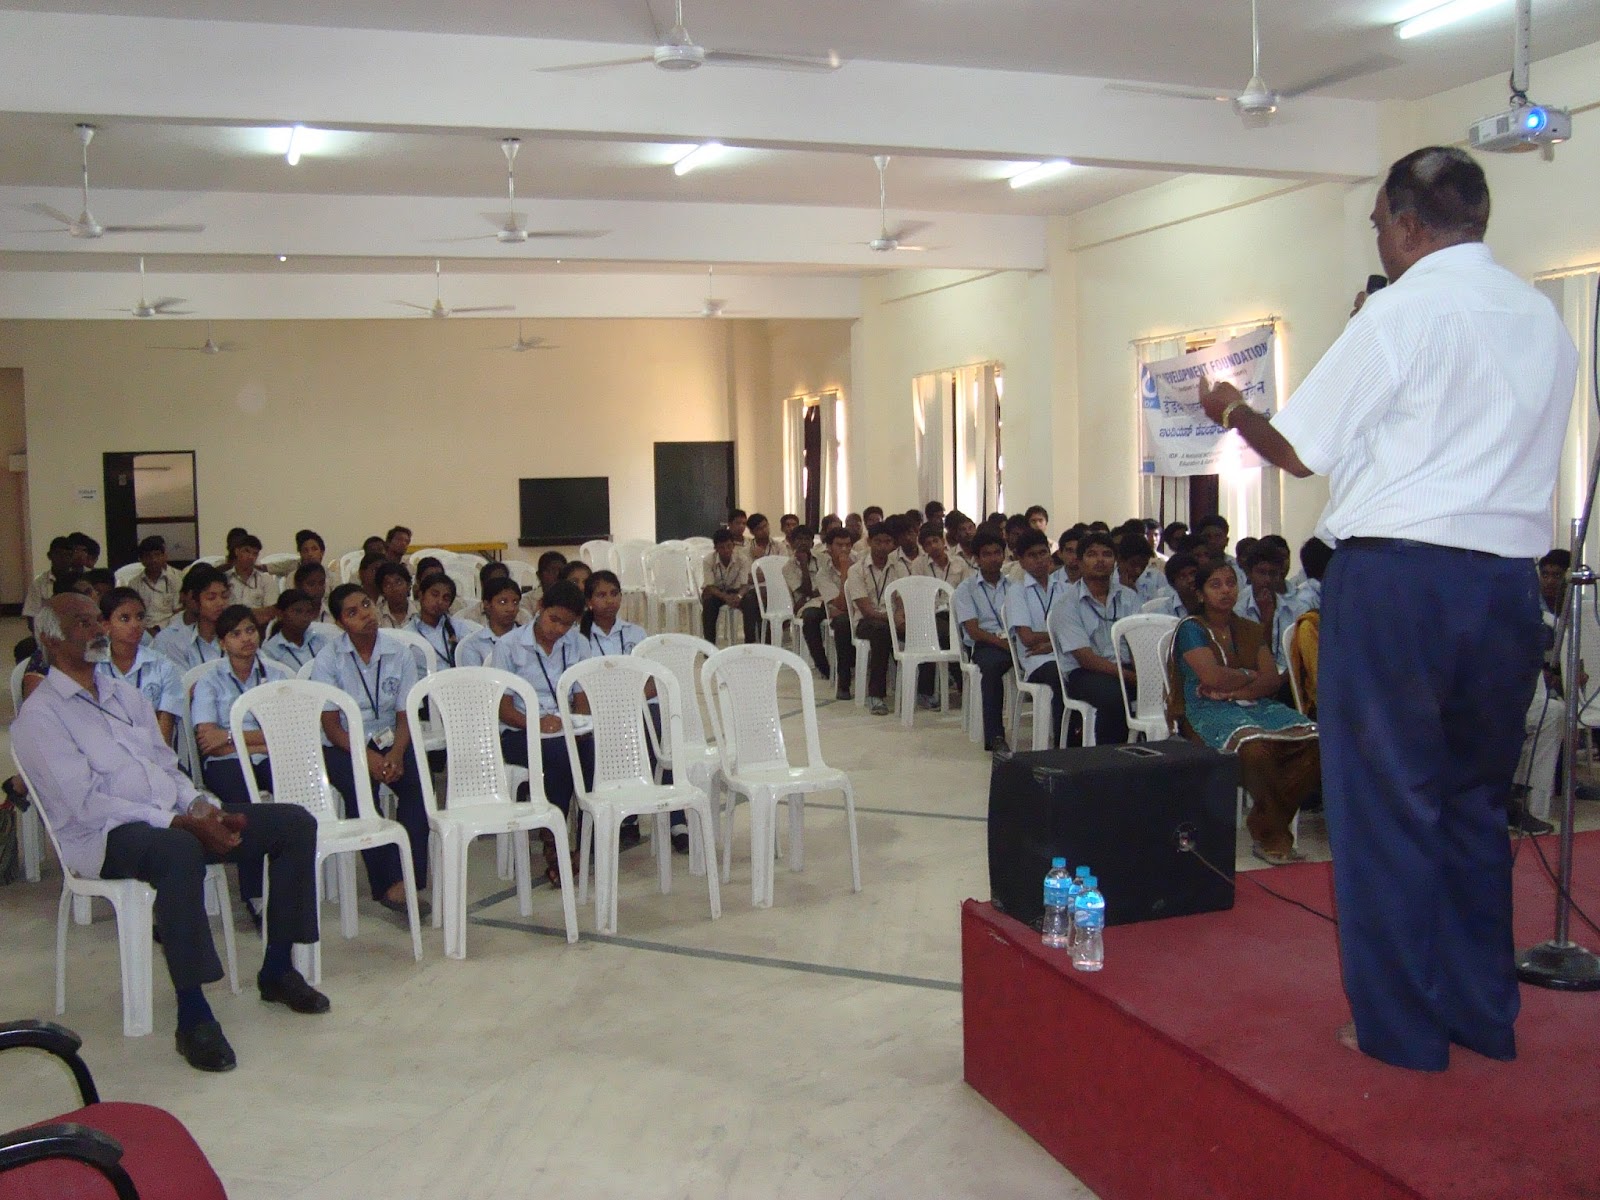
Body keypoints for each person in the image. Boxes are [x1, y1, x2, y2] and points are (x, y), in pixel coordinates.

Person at [1198, 146, 1578, 1072]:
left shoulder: (1402, 312)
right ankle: (1483, 1018)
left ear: (1408, 224)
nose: (1381, 238)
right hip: (1506, 589)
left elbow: (1296, 449)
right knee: (1474, 807)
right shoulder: (1543, 318)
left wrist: (1233, 407)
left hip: (1402, 583)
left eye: (1378, 222)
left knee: (1386, 809)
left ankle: (1401, 1031)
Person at [15, 594, 327, 1073]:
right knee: (179, 850)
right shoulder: (40, 718)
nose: (98, 629)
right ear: (52, 639)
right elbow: (85, 802)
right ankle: (194, 1014)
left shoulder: (124, 694)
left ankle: (279, 968)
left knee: (293, 823)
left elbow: (168, 768)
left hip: (171, 817)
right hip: (103, 837)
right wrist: (182, 822)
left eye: (98, 618)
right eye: (83, 622)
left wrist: (204, 807)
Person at [1165, 560, 1320, 865]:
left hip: (1254, 705)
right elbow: (1210, 678)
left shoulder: (1249, 628)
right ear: (1200, 593)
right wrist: (1250, 676)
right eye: (1215, 585)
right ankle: (1272, 835)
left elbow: (1272, 680)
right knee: (1255, 750)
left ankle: (1265, 822)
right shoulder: (1191, 629)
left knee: (1315, 741)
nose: (1225, 590)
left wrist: (1236, 687)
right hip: (1203, 711)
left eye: (1230, 583)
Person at [310, 584, 431, 917]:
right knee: (360, 788)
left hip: (390, 737)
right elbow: (332, 727)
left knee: (417, 786)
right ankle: (385, 883)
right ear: (339, 623)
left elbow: (407, 714)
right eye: (352, 612)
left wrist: (394, 754)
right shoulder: (328, 659)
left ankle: (409, 876)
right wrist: (368, 758)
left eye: (366, 605)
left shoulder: (399, 652)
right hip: (344, 743)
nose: (365, 615)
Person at [491, 580, 595, 883]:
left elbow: (582, 694)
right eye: (554, 619)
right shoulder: (508, 646)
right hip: (518, 731)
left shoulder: (578, 643)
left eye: (568, 623)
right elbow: (503, 707)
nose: (559, 629)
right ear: (539, 609)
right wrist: (537, 722)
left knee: (591, 753)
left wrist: (580, 721)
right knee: (561, 757)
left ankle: (588, 841)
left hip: (564, 727)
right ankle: (555, 841)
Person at [191, 604, 283, 921]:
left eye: (250, 630)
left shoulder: (278, 674)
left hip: (269, 756)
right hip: (226, 764)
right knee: (245, 807)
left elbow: (288, 733)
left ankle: (288, 888)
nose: (245, 639)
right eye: (235, 633)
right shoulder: (209, 681)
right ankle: (255, 895)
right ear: (222, 642)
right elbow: (207, 742)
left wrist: (229, 737)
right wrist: (262, 737)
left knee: (294, 790)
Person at [1048, 530, 1141, 745]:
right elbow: (1085, 658)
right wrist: (1130, 677)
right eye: (1092, 554)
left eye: (1107, 554)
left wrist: (1145, 674)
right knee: (1113, 697)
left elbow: (1139, 643)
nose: (1100, 560)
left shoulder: (1129, 597)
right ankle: (1109, 761)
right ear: (1079, 562)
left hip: (1126, 668)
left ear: (1115, 561)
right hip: (1086, 673)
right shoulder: (1066, 604)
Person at [98, 587, 183, 746]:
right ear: (105, 625)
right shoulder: (94, 668)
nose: (135, 624)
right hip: (107, 755)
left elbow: (164, 737)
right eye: (125, 618)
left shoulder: (163, 667)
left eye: (140, 617)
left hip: (154, 756)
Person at [953, 530, 1013, 749]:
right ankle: (995, 736)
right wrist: (1002, 644)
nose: (993, 558)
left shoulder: (1014, 587)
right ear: (976, 559)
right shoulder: (965, 590)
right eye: (986, 554)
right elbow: (973, 630)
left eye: (998, 552)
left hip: (1013, 642)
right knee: (991, 668)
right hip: (985, 644)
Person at [845, 520, 910, 716]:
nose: (883, 546)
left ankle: (922, 690)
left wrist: (900, 618)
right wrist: (893, 621)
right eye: (878, 541)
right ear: (869, 542)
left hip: (893, 619)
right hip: (867, 622)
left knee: (923, 629)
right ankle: (876, 695)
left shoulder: (899, 567)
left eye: (888, 542)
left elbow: (901, 600)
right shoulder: (856, 570)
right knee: (881, 633)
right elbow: (865, 609)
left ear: (893, 544)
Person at [785, 524, 839, 680]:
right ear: (792, 543)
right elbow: (806, 590)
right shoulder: (788, 567)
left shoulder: (823, 558)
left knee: (842, 615)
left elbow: (832, 583)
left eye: (806, 539)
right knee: (810, 619)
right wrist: (803, 565)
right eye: (799, 539)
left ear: (812, 543)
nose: (803, 542)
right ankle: (823, 666)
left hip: (828, 599)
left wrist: (817, 592)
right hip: (809, 605)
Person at [151, 564, 229, 671]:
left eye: (224, 596)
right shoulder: (170, 640)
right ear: (195, 600)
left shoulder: (237, 634)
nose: (220, 603)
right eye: (211, 598)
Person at [701, 529, 761, 645]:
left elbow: (745, 584)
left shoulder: (742, 558)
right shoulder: (708, 560)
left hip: (737, 591)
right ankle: (709, 646)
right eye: (722, 547)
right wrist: (725, 597)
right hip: (717, 592)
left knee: (750, 600)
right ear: (716, 548)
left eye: (729, 546)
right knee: (708, 604)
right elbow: (709, 586)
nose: (726, 550)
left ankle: (750, 643)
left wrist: (739, 596)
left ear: (733, 546)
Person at [408, 572, 480, 667]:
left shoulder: (460, 629)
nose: (439, 601)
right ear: (421, 595)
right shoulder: (408, 633)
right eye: (434, 595)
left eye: (445, 598)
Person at [457, 577, 524, 667]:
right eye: (503, 602)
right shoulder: (473, 644)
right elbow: (474, 679)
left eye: (515, 602)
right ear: (487, 604)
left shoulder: (529, 638)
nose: (511, 608)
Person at [261, 588, 328, 672]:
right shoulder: (270, 650)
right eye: (298, 611)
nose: (304, 617)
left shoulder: (320, 641)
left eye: (308, 612)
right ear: (280, 614)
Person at [131, 535, 184, 630]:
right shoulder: (134, 584)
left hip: (169, 629)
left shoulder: (176, 580)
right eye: (148, 556)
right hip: (143, 630)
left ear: (164, 556)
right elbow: (133, 613)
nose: (153, 560)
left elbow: (178, 612)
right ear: (141, 560)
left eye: (157, 555)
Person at [22, 536, 77, 627]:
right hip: (47, 632)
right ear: (49, 556)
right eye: (59, 554)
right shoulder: (38, 583)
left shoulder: (80, 581)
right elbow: (31, 616)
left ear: (72, 557)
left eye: (68, 555)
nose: (63, 559)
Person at [374, 561, 416, 629]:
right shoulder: (375, 617)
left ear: (408, 585)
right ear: (382, 592)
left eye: (399, 582)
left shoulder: (421, 611)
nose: (394, 588)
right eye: (387, 585)